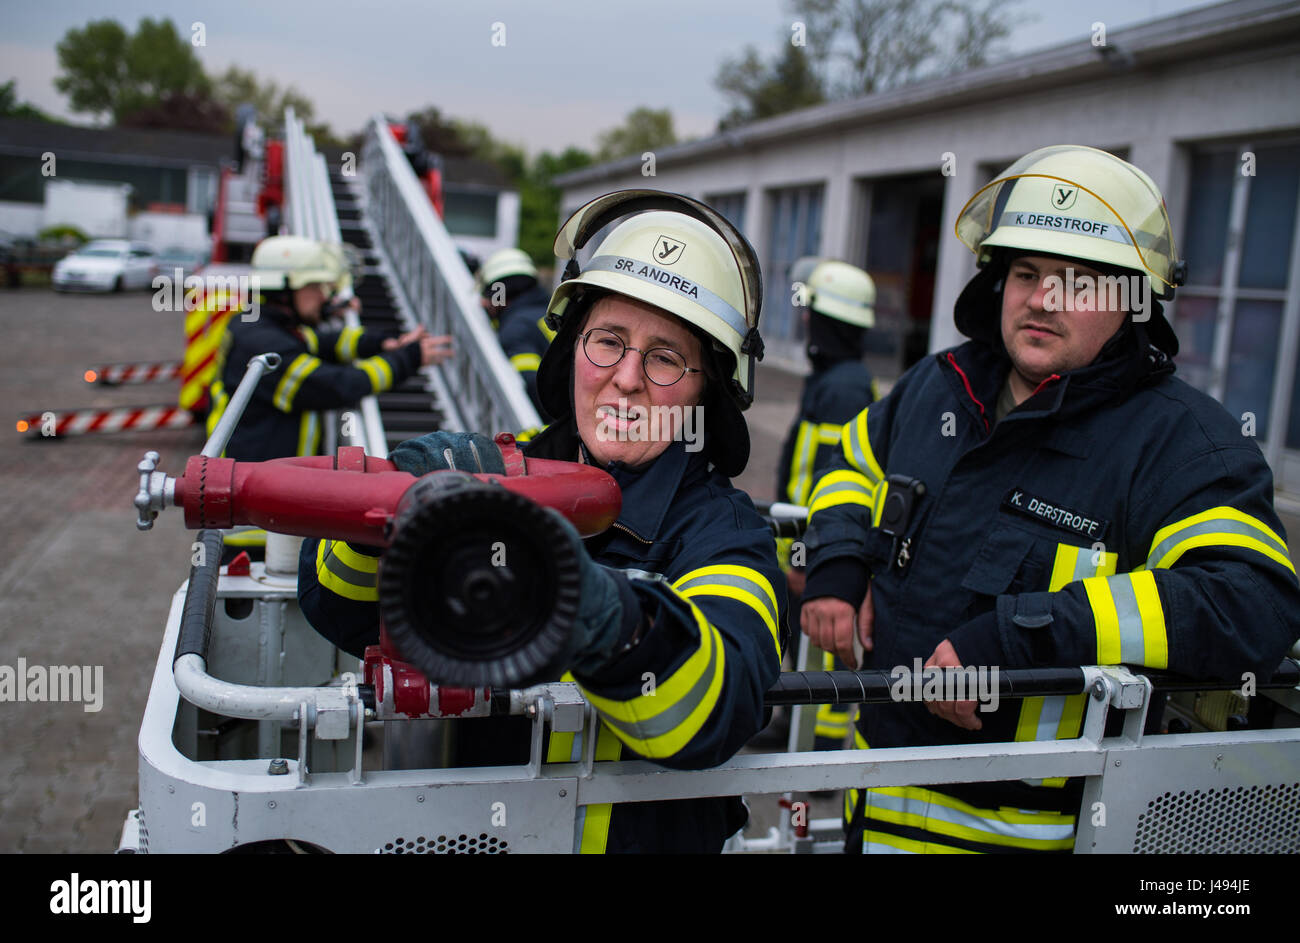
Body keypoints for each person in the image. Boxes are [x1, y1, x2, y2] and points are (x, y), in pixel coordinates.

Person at [799, 145, 1300, 854]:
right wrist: (840, 566)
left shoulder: (1181, 444)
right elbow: (849, 463)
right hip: (874, 800)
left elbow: (1247, 602)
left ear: (1132, 301)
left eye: (1079, 281)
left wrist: (1020, 637)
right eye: (1027, 273)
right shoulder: (939, 386)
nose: (1042, 299)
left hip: (1030, 835)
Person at [298, 190, 786, 853]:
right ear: (571, 352)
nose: (626, 379)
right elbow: (337, 610)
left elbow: (716, 709)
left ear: (707, 391)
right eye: (608, 341)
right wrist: (388, 510)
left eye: (666, 358)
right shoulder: (497, 470)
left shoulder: (727, 531)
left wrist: (601, 612)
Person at [208, 234, 451, 462]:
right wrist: (408, 358)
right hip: (249, 490)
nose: (325, 297)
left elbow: (324, 342)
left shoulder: (264, 326)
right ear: (286, 288)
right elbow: (338, 385)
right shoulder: (267, 347)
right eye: (316, 286)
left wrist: (382, 342)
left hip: (255, 479)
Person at [773, 258, 879, 749]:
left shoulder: (843, 387)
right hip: (804, 539)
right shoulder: (837, 377)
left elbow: (830, 478)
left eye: (811, 312)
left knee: (822, 646)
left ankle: (819, 747)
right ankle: (803, 732)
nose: (804, 321)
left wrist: (808, 557)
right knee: (806, 643)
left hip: (810, 543)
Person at [476, 247, 555, 418]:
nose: (485, 303)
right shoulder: (556, 315)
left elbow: (531, 384)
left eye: (489, 295)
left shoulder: (515, 328)